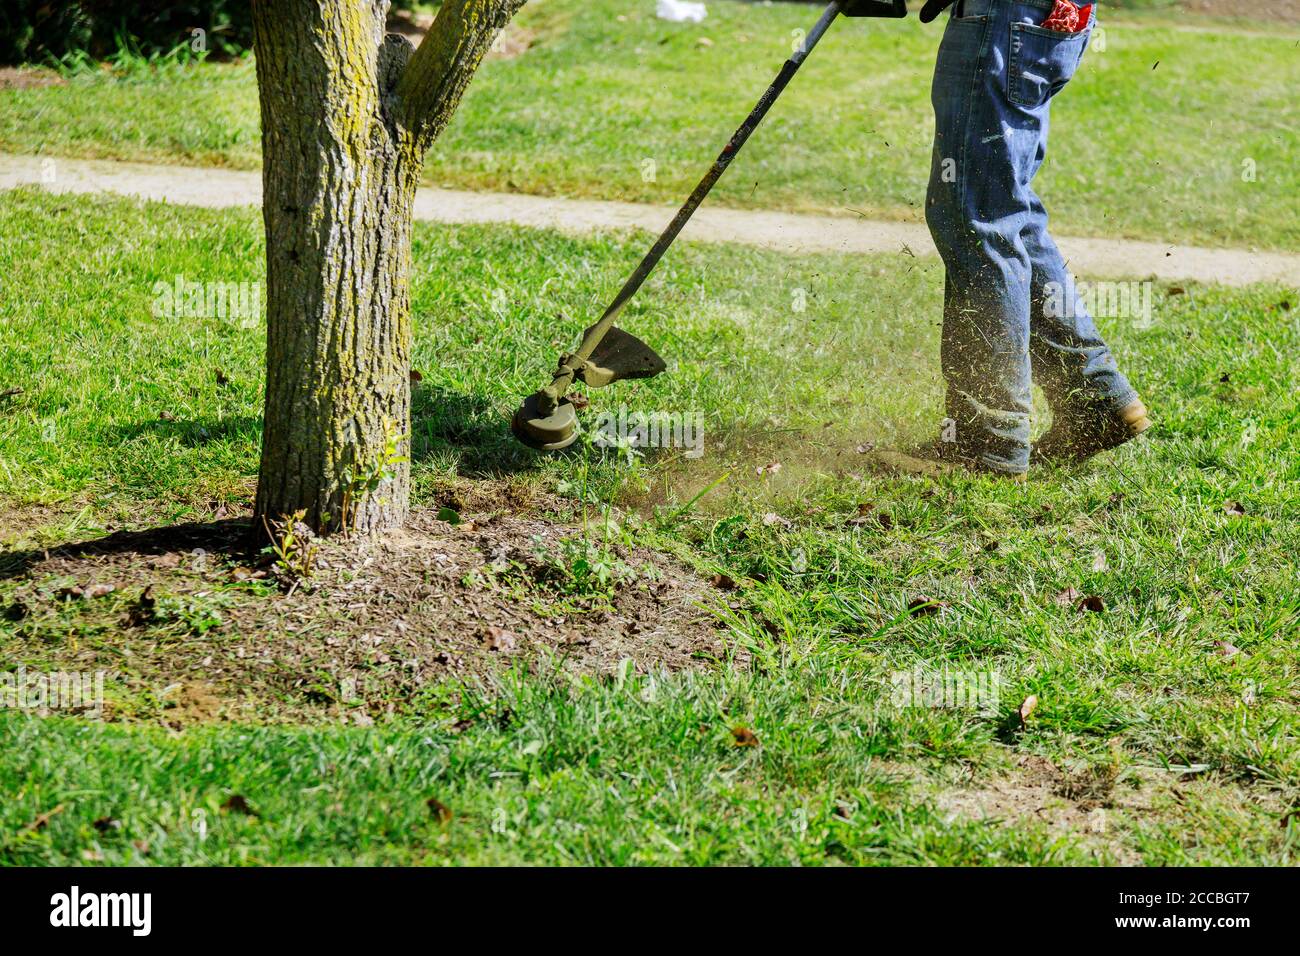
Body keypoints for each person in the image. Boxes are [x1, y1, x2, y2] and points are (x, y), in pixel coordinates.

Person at [917, 0, 1149, 480]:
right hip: (1037, 21)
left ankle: (987, 443)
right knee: (1003, 209)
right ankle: (1094, 398)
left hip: (1006, 18)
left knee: (977, 218)